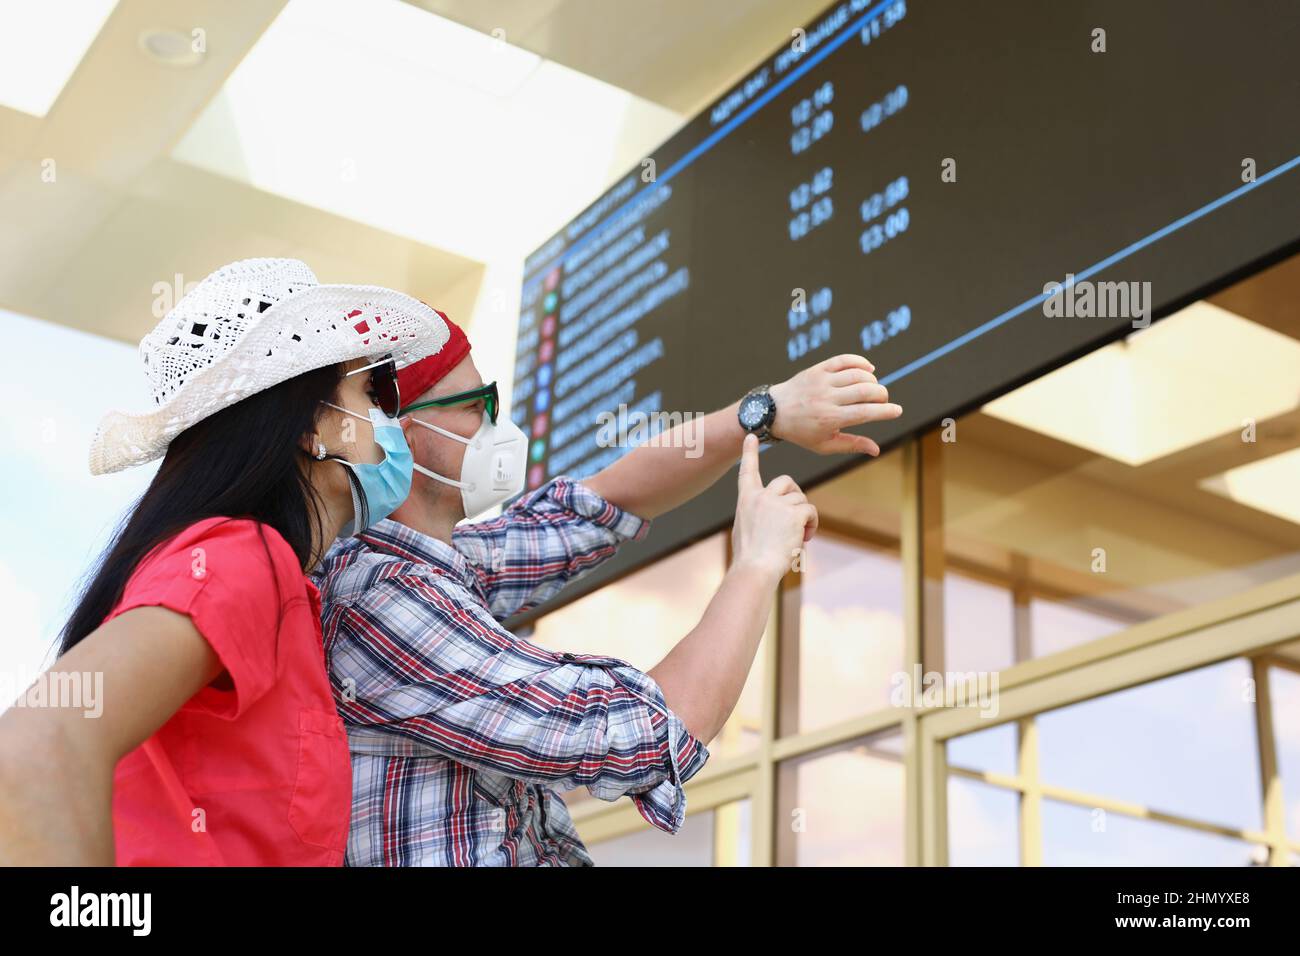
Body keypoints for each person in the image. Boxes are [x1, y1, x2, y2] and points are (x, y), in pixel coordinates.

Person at [314, 311, 902, 866]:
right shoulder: (384, 597)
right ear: (404, 436)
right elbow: (642, 730)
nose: (496, 422)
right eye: (477, 403)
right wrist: (756, 562)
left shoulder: (439, 565)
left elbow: (604, 504)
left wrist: (764, 412)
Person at [0, 257, 450, 865]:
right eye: (375, 393)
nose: (393, 423)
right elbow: (37, 744)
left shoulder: (280, 585)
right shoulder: (241, 555)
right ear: (313, 424)